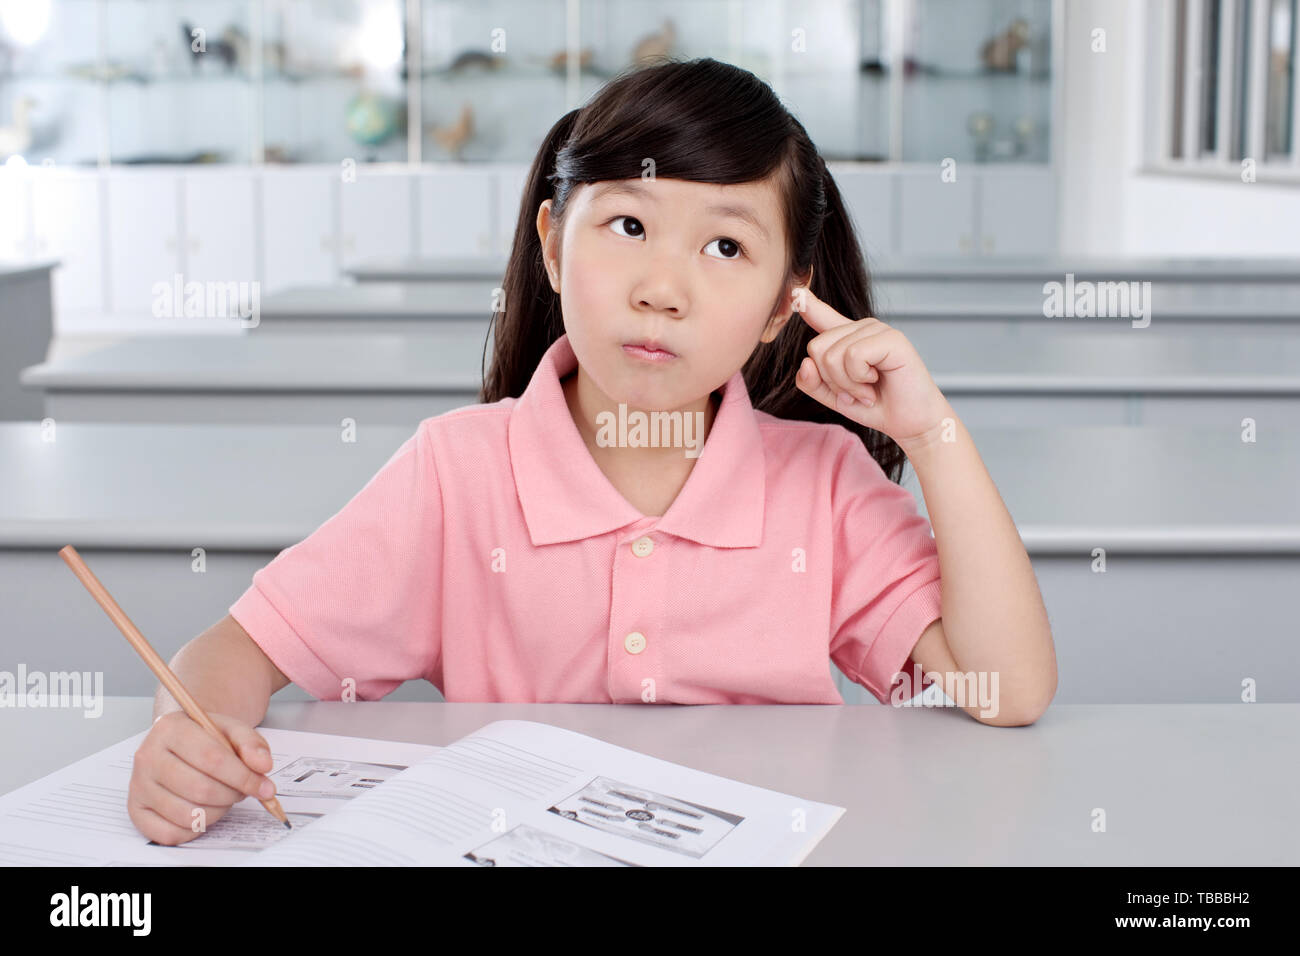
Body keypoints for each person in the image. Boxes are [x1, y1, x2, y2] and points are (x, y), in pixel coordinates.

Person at [129, 57, 1056, 846]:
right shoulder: (457, 471)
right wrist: (192, 732)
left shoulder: (820, 482)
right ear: (552, 246)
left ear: (786, 304)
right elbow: (238, 653)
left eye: (726, 247)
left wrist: (934, 436)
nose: (663, 288)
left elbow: (1006, 691)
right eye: (628, 226)